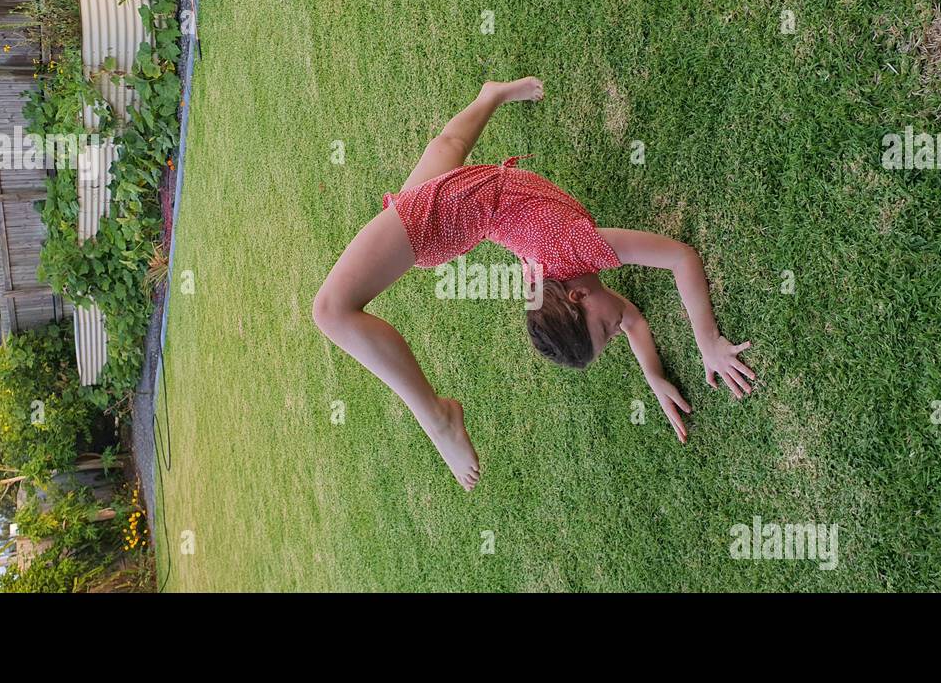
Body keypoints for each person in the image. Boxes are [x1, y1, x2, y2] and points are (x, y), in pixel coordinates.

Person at [313, 77, 754, 491]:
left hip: (467, 209)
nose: (615, 328)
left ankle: (439, 419)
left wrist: (681, 357)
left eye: (605, 332)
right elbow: (657, 288)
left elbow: (657, 288)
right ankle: (491, 95)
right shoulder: (569, 265)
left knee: (335, 306)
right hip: (468, 208)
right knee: (335, 306)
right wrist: (681, 358)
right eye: (606, 333)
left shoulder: (572, 264)